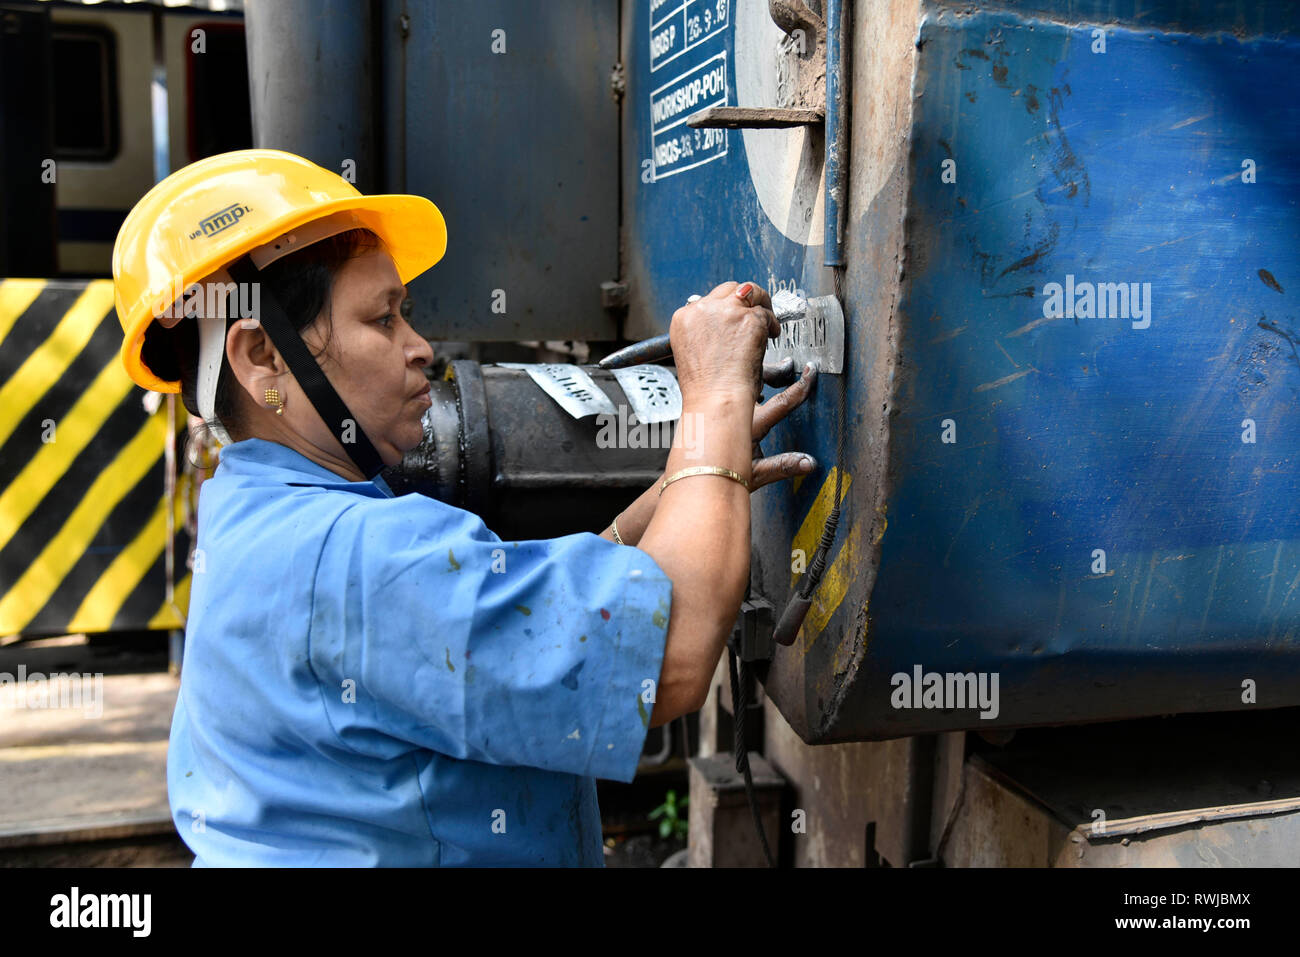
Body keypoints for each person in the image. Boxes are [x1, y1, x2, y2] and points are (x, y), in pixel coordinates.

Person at [112, 149, 817, 866]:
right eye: (383, 319)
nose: (422, 348)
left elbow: (509, 627)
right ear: (263, 356)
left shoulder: (250, 516)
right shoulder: (357, 560)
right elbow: (671, 657)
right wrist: (716, 396)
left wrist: (691, 479)